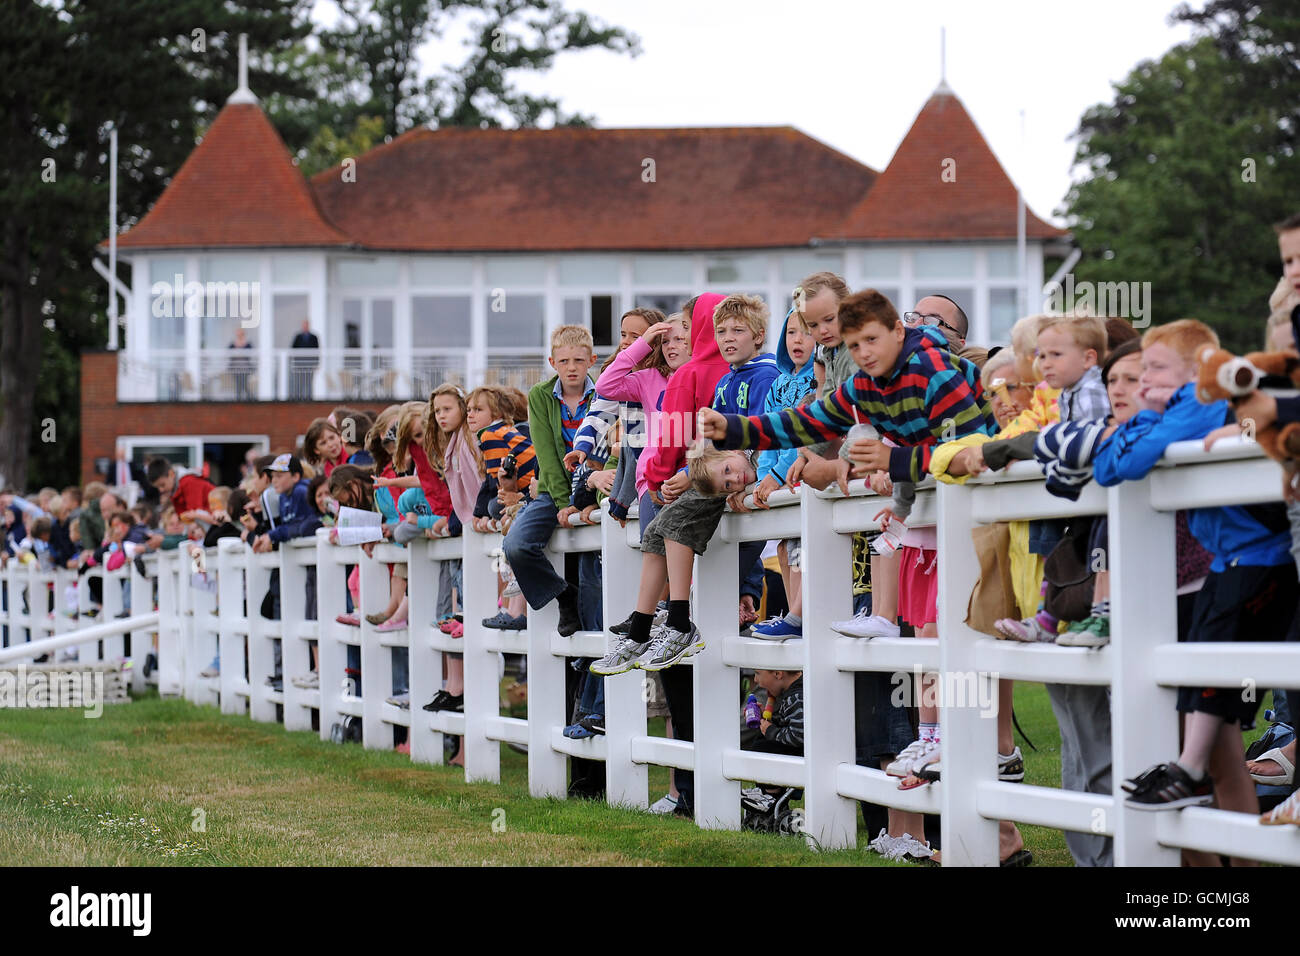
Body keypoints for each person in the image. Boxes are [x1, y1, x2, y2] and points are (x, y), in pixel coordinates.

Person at [1097, 321, 1297, 839]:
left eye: (1155, 369)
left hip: (1259, 557)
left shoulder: (1197, 400)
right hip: (1226, 560)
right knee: (1206, 691)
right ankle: (1199, 790)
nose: (1142, 383)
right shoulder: (1182, 403)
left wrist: (1143, 421)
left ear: (1197, 368)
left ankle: (1188, 771)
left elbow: (1117, 463)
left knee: (1216, 686)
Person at [501, 325, 600, 638]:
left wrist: (581, 500)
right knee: (515, 545)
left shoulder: (603, 394)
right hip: (553, 491)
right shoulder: (541, 396)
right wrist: (562, 502)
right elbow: (545, 455)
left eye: (579, 361)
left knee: (592, 575)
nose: (571, 368)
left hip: (593, 488)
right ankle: (562, 595)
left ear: (592, 360)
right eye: (564, 361)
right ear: (552, 362)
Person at [748, 306, 817, 640]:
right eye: (791, 332)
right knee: (784, 547)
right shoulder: (778, 384)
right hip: (777, 482)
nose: (797, 340)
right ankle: (794, 615)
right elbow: (768, 434)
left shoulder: (814, 382)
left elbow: (801, 432)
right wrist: (765, 474)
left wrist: (776, 474)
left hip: (802, 478)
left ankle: (800, 614)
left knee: (803, 548)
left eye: (806, 332)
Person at [147, 457, 215, 522]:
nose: (161, 490)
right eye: (158, 487)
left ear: (171, 474)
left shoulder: (189, 482)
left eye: (162, 485)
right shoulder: (175, 490)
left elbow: (195, 518)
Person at [290, 320, 320, 400]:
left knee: (309, 382)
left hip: (310, 364)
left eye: (306, 325)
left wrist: (316, 364)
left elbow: (317, 351)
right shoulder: (298, 337)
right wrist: (294, 362)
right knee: (299, 382)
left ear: (309, 326)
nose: (305, 326)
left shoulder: (314, 337)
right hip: (299, 364)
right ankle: (298, 398)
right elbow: (293, 349)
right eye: (304, 325)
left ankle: (309, 398)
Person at [228, 327, 255, 400]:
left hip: (245, 369)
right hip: (235, 369)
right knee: (239, 385)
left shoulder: (248, 344)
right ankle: (247, 398)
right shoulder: (232, 344)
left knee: (242, 385)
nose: (239, 334)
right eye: (238, 332)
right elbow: (230, 355)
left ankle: (248, 398)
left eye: (241, 332)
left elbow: (249, 355)